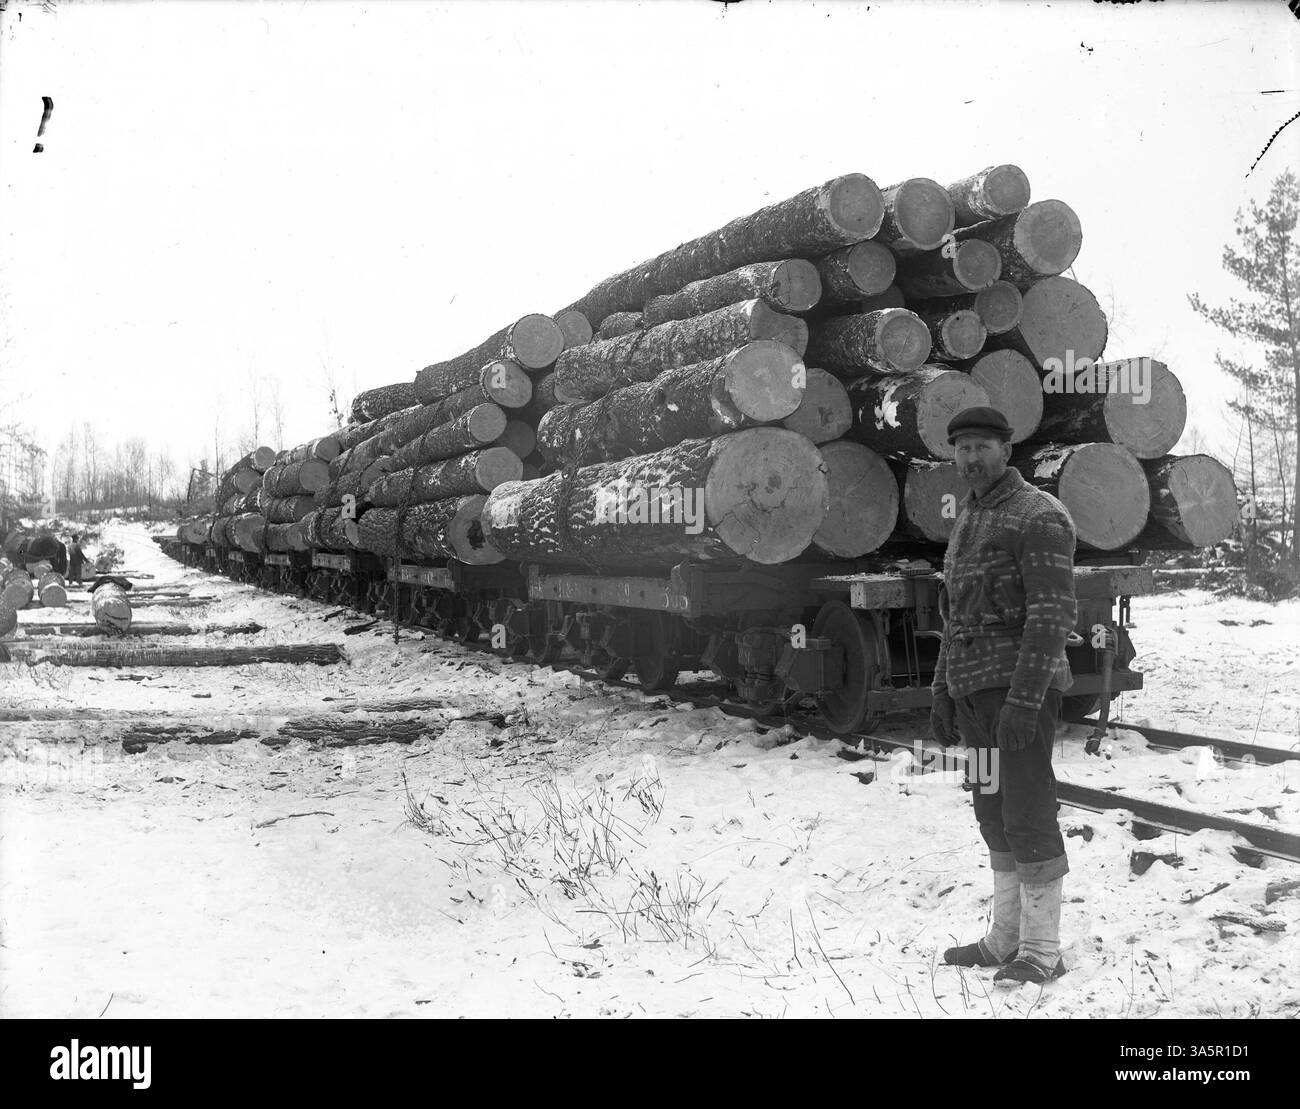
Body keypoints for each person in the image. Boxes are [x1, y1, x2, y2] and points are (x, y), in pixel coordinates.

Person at [931, 407, 1078, 986]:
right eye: (962, 448)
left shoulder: (1038, 515)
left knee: (1028, 813)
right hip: (973, 696)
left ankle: (1042, 950)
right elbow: (955, 614)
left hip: (1016, 694)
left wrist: (1023, 701)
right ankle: (1004, 939)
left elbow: (1050, 616)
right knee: (992, 811)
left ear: (1005, 450)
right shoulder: (968, 516)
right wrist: (943, 690)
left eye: (982, 447)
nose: (971, 458)